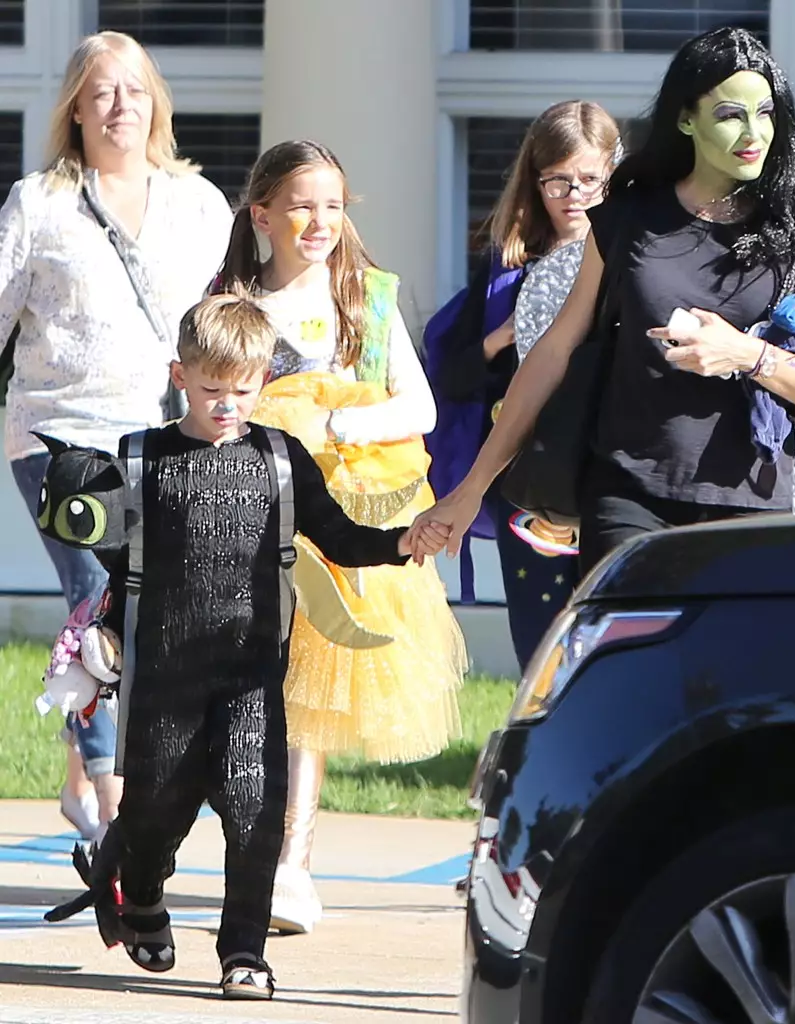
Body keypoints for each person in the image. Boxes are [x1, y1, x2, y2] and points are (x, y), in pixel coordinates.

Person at [41, 290, 445, 999]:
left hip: (252, 671)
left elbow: (340, 537)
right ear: (180, 376)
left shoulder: (279, 460)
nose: (227, 404)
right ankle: (138, 897)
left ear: (264, 382)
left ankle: (244, 954)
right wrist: (96, 635)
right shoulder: (144, 458)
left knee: (254, 808)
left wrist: (400, 543)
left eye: (244, 389)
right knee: (153, 812)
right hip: (166, 673)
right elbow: (113, 562)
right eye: (210, 390)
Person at [411, 26, 795, 576]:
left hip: (751, 503)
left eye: (765, 112)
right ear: (685, 119)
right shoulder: (629, 218)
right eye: (730, 115)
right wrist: (470, 489)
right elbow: (555, 351)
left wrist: (747, 355)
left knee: (724, 664)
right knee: (627, 655)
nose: (754, 133)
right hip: (628, 492)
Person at [217, 139, 467, 936]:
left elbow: (419, 410)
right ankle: (243, 841)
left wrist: (332, 419)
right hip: (250, 510)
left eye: (332, 204)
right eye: (300, 204)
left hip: (339, 520)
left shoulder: (369, 297)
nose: (319, 220)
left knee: (308, 694)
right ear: (262, 214)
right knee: (246, 684)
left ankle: (293, 862)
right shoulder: (233, 299)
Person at [0, 30, 233, 839]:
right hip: (59, 432)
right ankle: (112, 801)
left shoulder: (199, 205)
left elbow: (223, 320)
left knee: (151, 609)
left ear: (156, 104)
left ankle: (76, 771)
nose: (118, 106)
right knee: (99, 601)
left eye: (133, 90)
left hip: (162, 434)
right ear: (74, 109)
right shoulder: (40, 202)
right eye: (100, 92)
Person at [425, 100, 621, 673]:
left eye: (589, 179)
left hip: (609, 462)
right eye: (557, 180)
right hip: (527, 472)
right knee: (540, 635)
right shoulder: (508, 269)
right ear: (533, 183)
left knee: (604, 624)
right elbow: (451, 374)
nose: (574, 195)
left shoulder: (639, 256)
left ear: (614, 172)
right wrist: (502, 337)